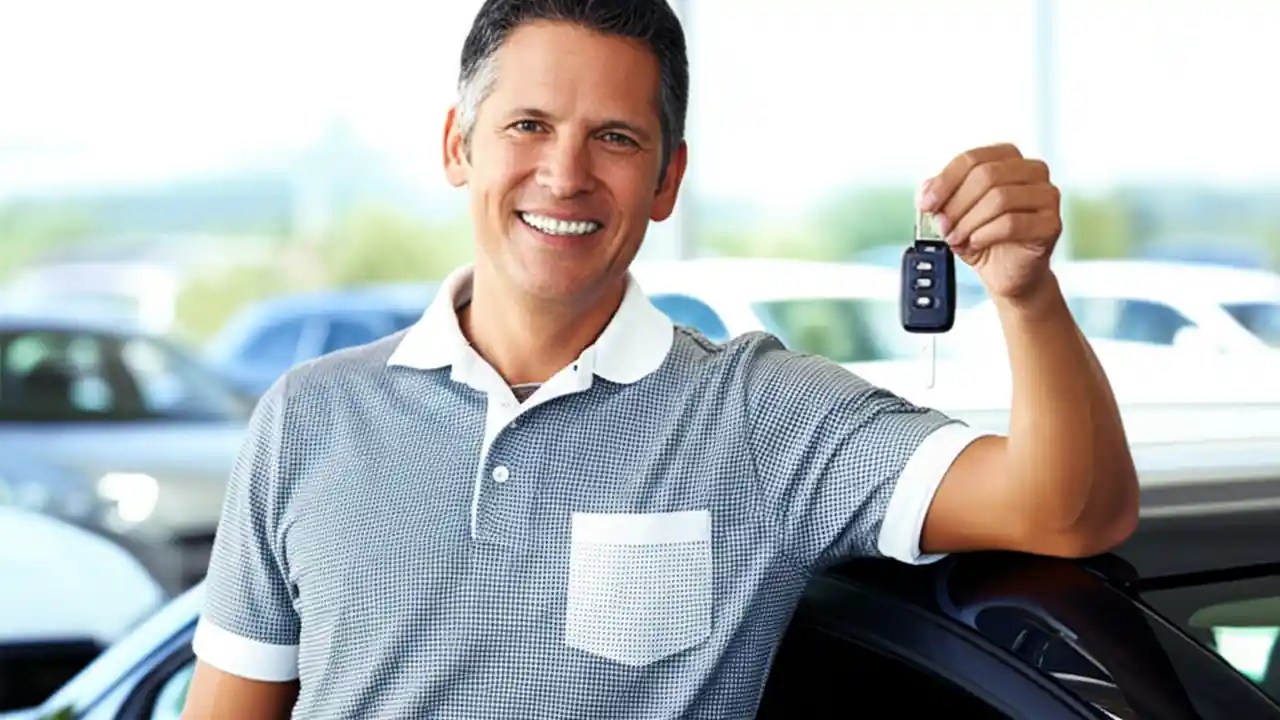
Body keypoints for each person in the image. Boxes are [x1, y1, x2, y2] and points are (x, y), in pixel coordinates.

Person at [181, 0, 1140, 717]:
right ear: (457, 144)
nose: (565, 173)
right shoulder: (309, 417)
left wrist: (1026, 293)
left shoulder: (761, 416)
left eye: (616, 138)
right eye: (528, 126)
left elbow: (1072, 508)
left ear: (667, 179)